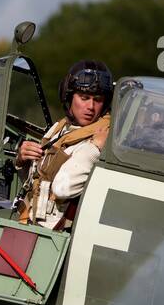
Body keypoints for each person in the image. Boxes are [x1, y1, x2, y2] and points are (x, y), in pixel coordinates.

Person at [15, 60, 114, 230]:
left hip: (57, 235)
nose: (90, 106)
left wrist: (94, 148)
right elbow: (38, 183)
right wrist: (22, 160)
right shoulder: (60, 129)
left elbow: (62, 189)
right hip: (30, 221)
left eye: (97, 100)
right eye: (84, 98)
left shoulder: (101, 137)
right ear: (69, 97)